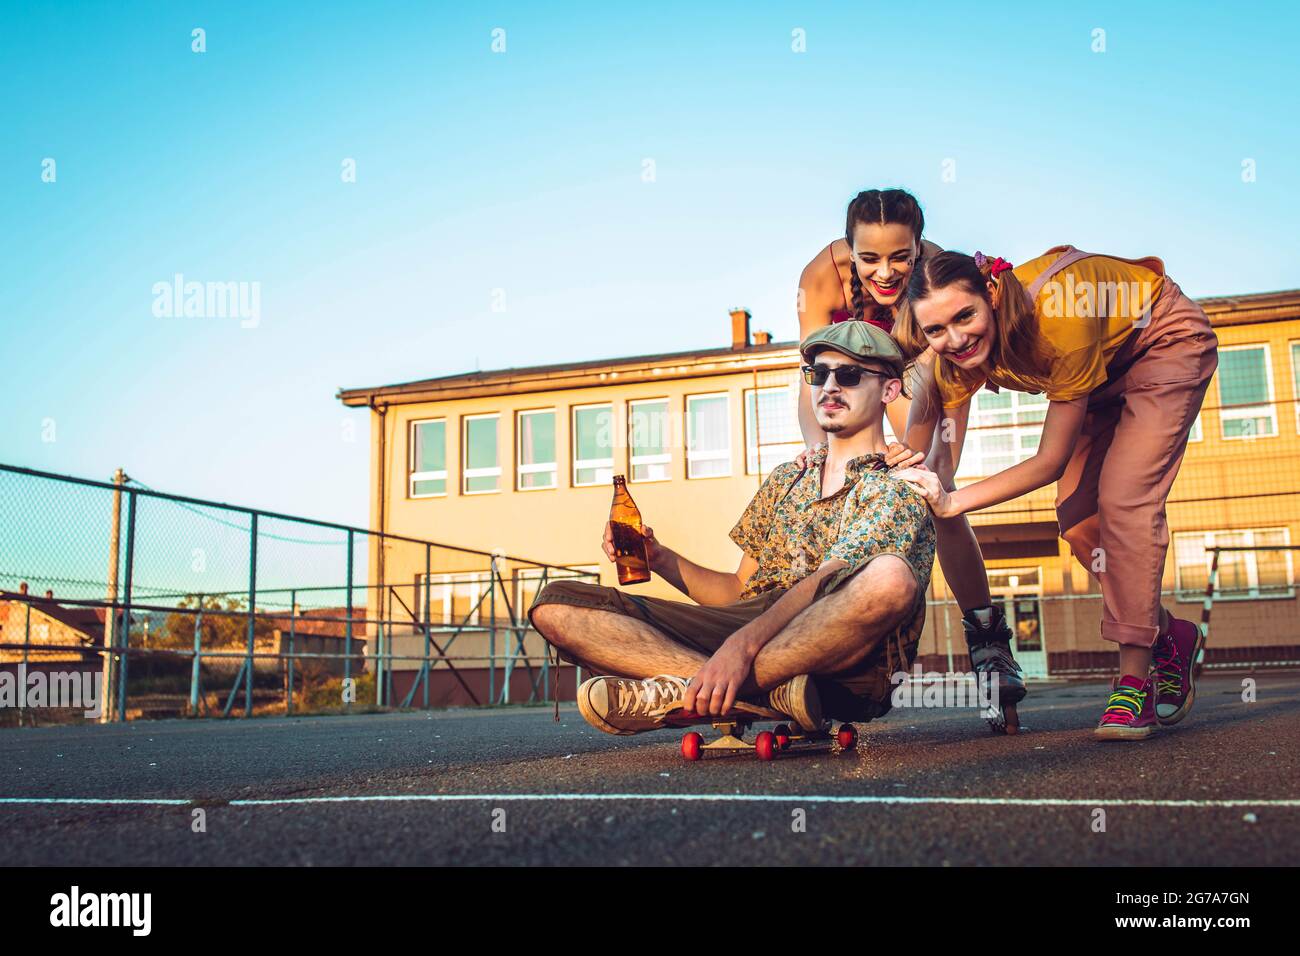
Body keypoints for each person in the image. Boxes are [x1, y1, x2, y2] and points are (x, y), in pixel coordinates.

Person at [527, 321, 936, 736]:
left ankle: (702, 687)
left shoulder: (898, 481)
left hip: (846, 663)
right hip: (756, 632)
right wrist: (660, 558)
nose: (829, 387)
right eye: (818, 373)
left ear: (888, 390)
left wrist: (741, 647)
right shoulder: (786, 478)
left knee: (890, 579)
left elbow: (831, 578)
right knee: (556, 605)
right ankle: (746, 693)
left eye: (848, 375)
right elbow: (738, 591)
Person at [891, 247, 1218, 739]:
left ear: (992, 294)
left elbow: (1050, 460)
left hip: (1164, 343)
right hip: (1101, 375)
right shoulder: (952, 360)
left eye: (965, 316)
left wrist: (953, 501)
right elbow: (938, 461)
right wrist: (902, 478)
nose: (955, 339)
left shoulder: (1059, 318)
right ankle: (1171, 635)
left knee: (1124, 500)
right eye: (936, 330)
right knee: (1080, 521)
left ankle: (1133, 682)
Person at [797, 188, 1026, 729]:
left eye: (900, 255)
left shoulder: (934, 271)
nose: (885, 271)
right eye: (870, 258)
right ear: (848, 249)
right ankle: (829, 644)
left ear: (918, 245)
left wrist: (914, 455)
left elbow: (926, 381)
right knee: (830, 480)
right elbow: (812, 378)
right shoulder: (818, 279)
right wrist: (817, 444)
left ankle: (988, 644)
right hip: (856, 370)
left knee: (934, 493)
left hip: (927, 368)